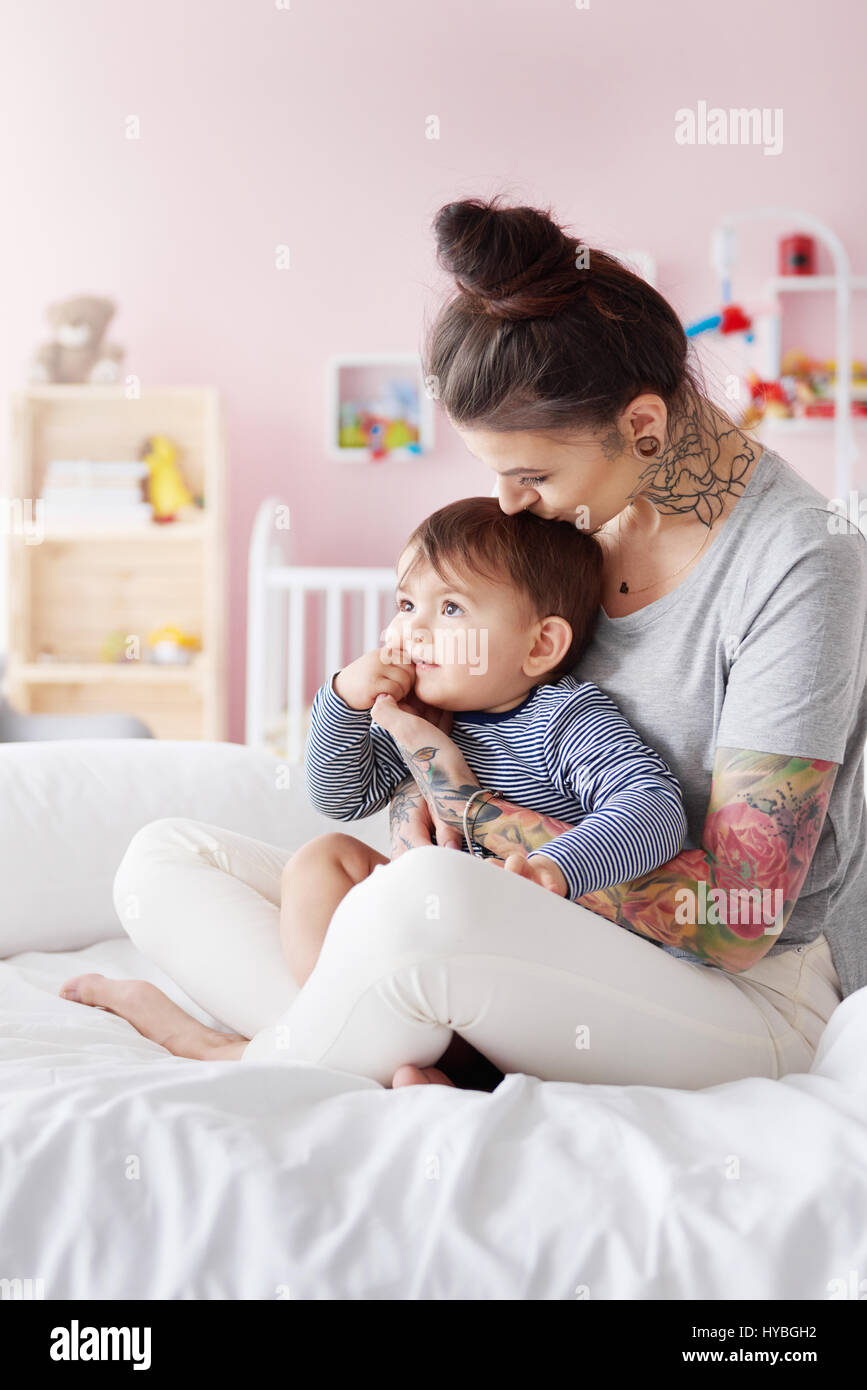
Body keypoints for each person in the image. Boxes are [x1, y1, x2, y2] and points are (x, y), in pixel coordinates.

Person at [59, 195, 867, 1094]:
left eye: (532, 474)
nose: (512, 503)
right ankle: (369, 1035)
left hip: (737, 988)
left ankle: (247, 1056)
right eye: (495, 473)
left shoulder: (799, 561)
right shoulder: (565, 523)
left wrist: (467, 809)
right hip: (512, 927)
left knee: (416, 909)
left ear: (643, 427)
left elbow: (739, 918)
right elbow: (374, 774)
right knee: (169, 858)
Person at [281, 495, 686, 988]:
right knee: (323, 859)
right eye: (407, 604)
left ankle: (379, 1034)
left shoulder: (563, 718)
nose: (412, 629)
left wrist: (554, 868)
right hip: (441, 932)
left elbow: (654, 806)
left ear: (539, 646)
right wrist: (343, 698)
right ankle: (328, 1008)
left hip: (533, 945)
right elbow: (339, 798)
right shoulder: (427, 713)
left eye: (450, 607)